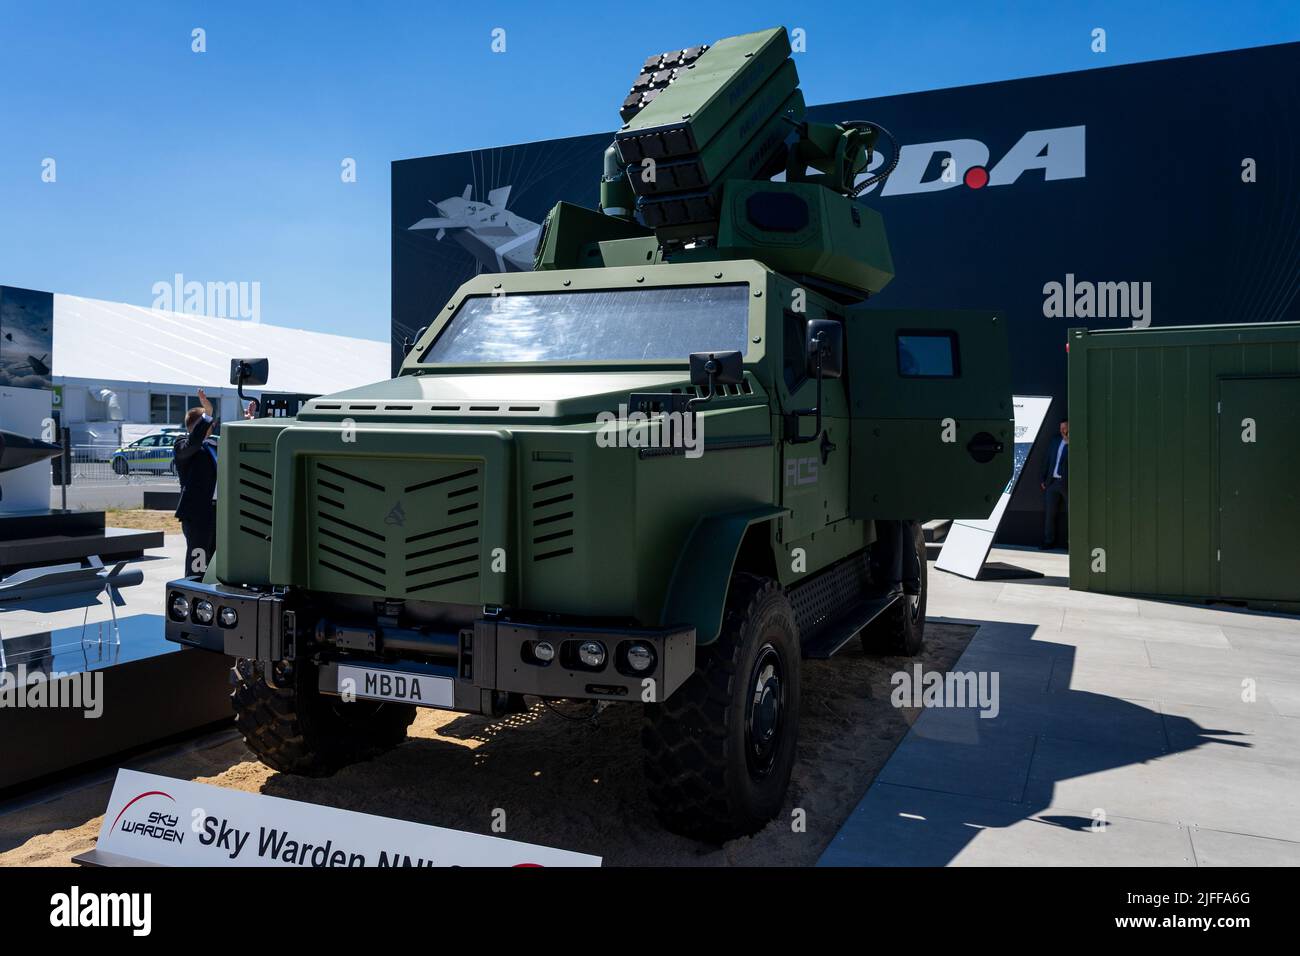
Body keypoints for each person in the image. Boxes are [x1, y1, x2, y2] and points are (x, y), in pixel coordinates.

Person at [174, 388, 219, 577]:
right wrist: (207, 415)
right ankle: (194, 591)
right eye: (209, 422)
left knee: (218, 559)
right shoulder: (182, 444)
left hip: (218, 512)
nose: (213, 425)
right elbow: (192, 444)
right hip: (198, 514)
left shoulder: (215, 444)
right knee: (198, 561)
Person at [1039, 418, 1069, 549]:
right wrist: (1043, 479)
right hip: (1052, 482)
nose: (1063, 430)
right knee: (1050, 514)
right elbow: (1047, 459)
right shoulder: (1055, 440)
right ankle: (1048, 541)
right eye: (1061, 428)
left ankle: (1071, 543)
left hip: (1068, 484)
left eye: (1065, 428)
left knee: (1071, 515)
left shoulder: (1076, 442)